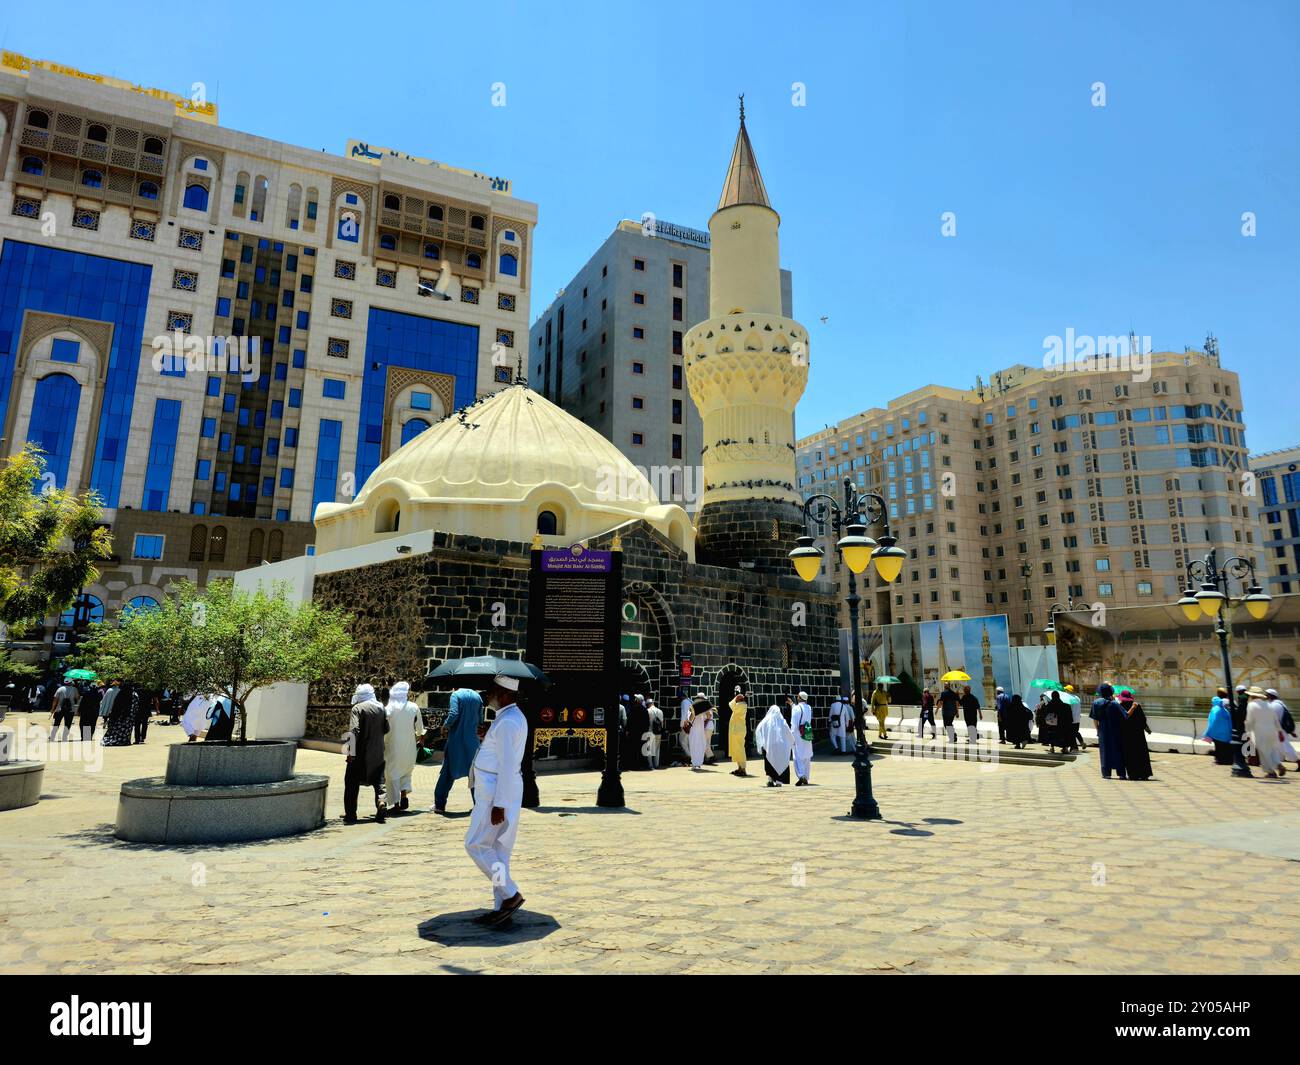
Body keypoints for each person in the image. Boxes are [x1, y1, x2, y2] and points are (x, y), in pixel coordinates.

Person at [465, 674, 528, 926]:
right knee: (498, 851)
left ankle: (511, 894)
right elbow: (499, 753)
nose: (488, 696)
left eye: (492, 691)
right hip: (496, 790)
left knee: (476, 844)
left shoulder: (508, 723)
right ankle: (503, 904)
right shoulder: (507, 719)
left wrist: (499, 804)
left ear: (504, 694)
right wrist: (487, 737)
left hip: (495, 793)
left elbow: (507, 764)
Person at [343, 683, 388, 824]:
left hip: (361, 752)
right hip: (378, 751)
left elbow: (354, 731)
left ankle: (350, 814)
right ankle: (381, 802)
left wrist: (350, 751)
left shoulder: (357, 708)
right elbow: (386, 728)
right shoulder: (381, 707)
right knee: (379, 780)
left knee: (351, 781)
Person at [434, 687, 483, 813]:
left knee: (447, 773)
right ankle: (479, 805)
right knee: (474, 774)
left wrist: (445, 726)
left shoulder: (456, 695)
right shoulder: (477, 697)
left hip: (456, 741)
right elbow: (481, 719)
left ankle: (440, 804)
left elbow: (454, 713)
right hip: (473, 740)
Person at [383, 681, 423, 812]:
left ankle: (395, 804)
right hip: (409, 746)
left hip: (393, 746)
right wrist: (419, 736)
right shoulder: (414, 707)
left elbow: (382, 728)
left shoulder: (388, 709)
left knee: (392, 773)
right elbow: (420, 729)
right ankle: (404, 795)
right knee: (406, 772)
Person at [1243, 686, 1286, 779]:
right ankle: (1278, 764)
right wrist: (1280, 731)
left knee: (1263, 753)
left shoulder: (1251, 705)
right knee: (1272, 750)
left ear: (1251, 696)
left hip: (1260, 732)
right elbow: (1276, 720)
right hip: (1272, 731)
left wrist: (1247, 732)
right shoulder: (1268, 705)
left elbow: (1249, 721)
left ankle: (1271, 772)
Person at [1089, 683, 1127, 779]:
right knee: (1118, 751)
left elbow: (1095, 719)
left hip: (1103, 730)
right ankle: (1121, 773)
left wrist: (1098, 730)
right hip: (1116, 730)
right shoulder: (1114, 703)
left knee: (1105, 751)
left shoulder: (1096, 703)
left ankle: (1106, 773)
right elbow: (1124, 716)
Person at [754, 701, 793, 787]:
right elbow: (788, 732)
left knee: (770, 764)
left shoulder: (765, 721)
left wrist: (761, 744)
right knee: (780, 762)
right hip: (781, 747)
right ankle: (779, 782)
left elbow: (758, 730)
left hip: (769, 747)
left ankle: (770, 780)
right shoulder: (782, 721)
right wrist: (792, 742)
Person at [1118, 690, 1153, 780]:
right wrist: (1146, 728)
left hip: (1126, 734)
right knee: (1141, 753)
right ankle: (1144, 774)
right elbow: (1143, 719)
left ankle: (1133, 774)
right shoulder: (1136, 706)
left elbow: (1120, 720)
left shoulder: (1120, 706)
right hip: (1138, 734)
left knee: (1130, 754)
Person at [1266, 689, 1298, 767]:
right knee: (1278, 748)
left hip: (1278, 731)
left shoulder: (1274, 705)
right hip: (1280, 730)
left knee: (1285, 748)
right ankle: (1278, 764)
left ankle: (1298, 761)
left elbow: (1274, 719)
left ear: (1270, 695)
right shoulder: (1280, 704)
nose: (1266, 696)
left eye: (1267, 694)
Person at [1201, 690, 1234, 764]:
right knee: (1225, 747)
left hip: (1216, 733)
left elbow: (1211, 721)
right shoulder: (1224, 710)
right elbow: (1229, 721)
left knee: (1218, 747)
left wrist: (1210, 731)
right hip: (1225, 732)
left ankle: (1219, 760)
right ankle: (1227, 760)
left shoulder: (1214, 709)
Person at [101, 681, 136, 747]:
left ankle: (116, 740)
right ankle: (125, 740)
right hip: (129, 717)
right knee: (126, 730)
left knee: (117, 729)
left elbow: (116, 705)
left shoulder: (120, 693)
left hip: (119, 715)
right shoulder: (134, 694)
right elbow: (135, 706)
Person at [790, 692, 813, 785]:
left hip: (798, 733)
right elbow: (801, 710)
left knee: (797, 755)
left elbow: (794, 723)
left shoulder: (796, 709)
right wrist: (792, 704)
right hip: (807, 731)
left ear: (799, 698)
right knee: (807, 755)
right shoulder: (809, 708)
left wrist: (792, 735)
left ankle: (801, 775)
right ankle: (806, 777)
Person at [684, 694, 712, 770]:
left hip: (695, 730)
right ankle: (697, 763)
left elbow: (689, 718)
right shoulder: (697, 707)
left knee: (695, 745)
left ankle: (695, 763)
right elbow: (709, 716)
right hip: (699, 730)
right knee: (700, 745)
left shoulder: (693, 707)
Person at [727, 686, 749, 777]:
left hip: (738, 731)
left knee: (740, 749)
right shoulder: (739, 705)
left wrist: (736, 698)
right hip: (736, 730)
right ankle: (740, 768)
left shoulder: (741, 705)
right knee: (737, 749)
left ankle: (743, 768)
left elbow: (730, 704)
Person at [646, 696, 664, 769]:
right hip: (658, 732)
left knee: (649, 749)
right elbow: (662, 723)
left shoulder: (648, 711)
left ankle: (650, 765)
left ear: (648, 704)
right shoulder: (660, 711)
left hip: (650, 731)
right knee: (657, 749)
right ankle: (656, 764)